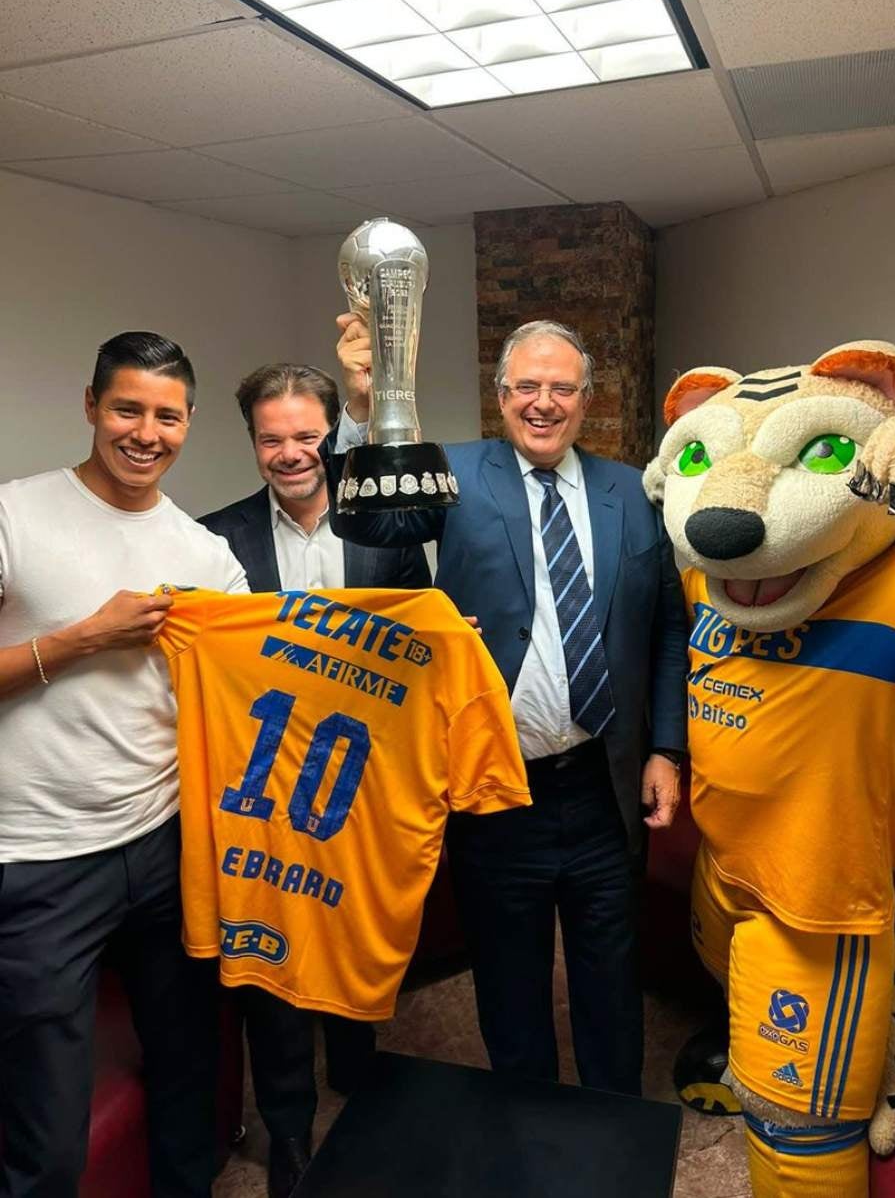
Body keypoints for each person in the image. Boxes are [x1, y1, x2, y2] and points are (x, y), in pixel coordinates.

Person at [329, 315, 689, 1094]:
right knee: (509, 981)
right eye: (527, 386)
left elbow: (666, 629)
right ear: (500, 396)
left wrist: (667, 747)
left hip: (604, 788)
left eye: (562, 388)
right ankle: (525, 1126)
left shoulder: (634, 493)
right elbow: (369, 528)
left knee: (609, 978)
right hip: (497, 790)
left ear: (586, 401)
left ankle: (609, 1128)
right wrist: (362, 412)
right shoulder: (453, 473)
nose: (543, 402)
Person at [0, 331, 248, 1198]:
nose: (147, 432)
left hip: (164, 847)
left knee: (188, 1075)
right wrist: (81, 640)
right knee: (45, 1119)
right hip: (37, 860)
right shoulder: (14, 514)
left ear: (188, 424)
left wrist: (414, 655)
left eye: (167, 416)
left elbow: (271, 668)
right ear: (91, 407)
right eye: (128, 409)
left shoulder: (205, 554)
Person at [199, 362, 430, 1198]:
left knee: (359, 926)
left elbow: (421, 638)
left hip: (366, 781)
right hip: (261, 789)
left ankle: (361, 1065)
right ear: (252, 441)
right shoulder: (211, 538)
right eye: (272, 437)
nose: (291, 453)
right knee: (273, 959)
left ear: (334, 434)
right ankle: (289, 1130)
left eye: (306, 435)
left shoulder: (387, 529)